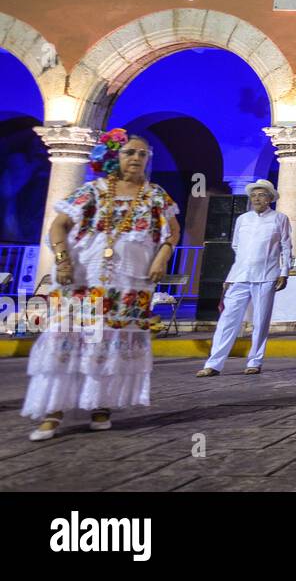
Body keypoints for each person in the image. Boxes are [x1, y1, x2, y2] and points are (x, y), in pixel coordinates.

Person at [24, 129, 180, 441]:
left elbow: (172, 232)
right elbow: (59, 225)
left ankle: (101, 405)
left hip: (130, 282)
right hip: (85, 277)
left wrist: (162, 257)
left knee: (112, 342)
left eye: (142, 154)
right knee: (67, 338)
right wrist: (63, 259)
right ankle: (53, 411)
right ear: (114, 158)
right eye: (129, 153)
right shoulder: (92, 191)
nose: (136, 158)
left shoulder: (155, 195)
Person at [197, 178, 291, 377]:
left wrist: (284, 272)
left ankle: (255, 361)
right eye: (254, 195)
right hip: (240, 274)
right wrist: (232, 274)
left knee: (260, 320)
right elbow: (236, 246)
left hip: (267, 275)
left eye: (261, 195)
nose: (257, 199)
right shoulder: (243, 219)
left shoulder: (279, 218)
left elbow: (286, 247)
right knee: (228, 319)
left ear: (269, 198)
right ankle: (214, 363)